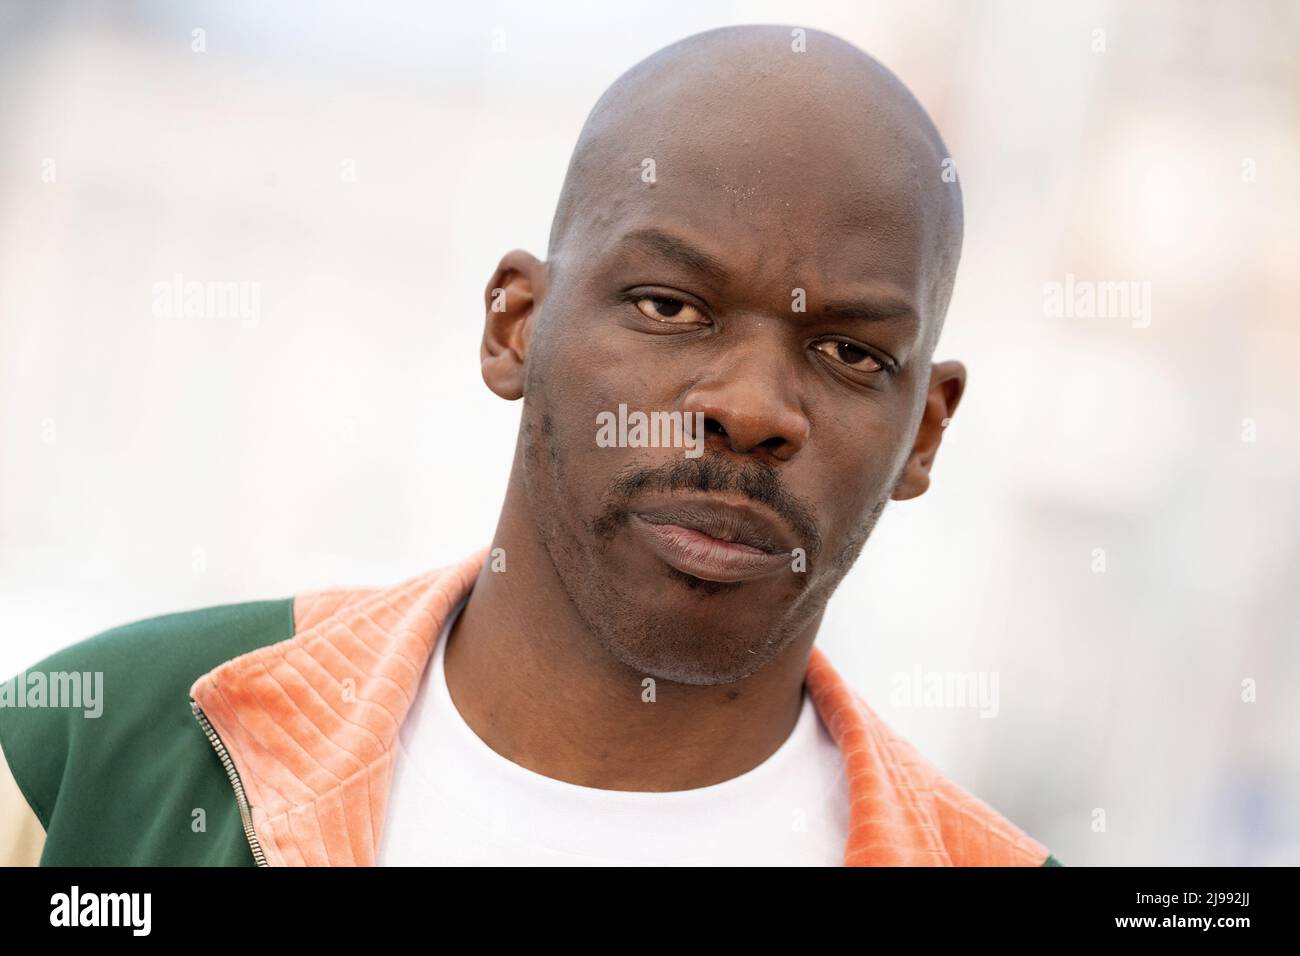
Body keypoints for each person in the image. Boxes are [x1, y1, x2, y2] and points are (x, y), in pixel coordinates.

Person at [0, 24, 1060, 866]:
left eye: (848, 352)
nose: (749, 407)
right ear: (515, 326)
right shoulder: (88, 761)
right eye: (668, 304)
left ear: (924, 433)